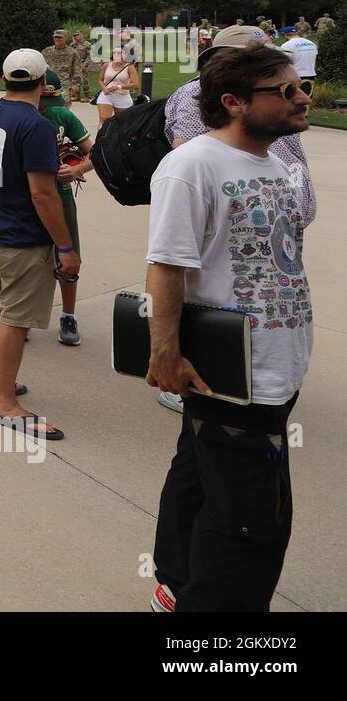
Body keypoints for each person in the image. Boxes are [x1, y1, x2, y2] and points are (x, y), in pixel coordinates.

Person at [145, 42, 312, 613]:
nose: (302, 98)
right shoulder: (192, 165)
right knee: (252, 527)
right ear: (234, 101)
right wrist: (163, 351)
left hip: (275, 363)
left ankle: (175, 583)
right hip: (234, 372)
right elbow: (167, 265)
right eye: (285, 91)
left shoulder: (278, 164)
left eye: (300, 86)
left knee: (199, 476)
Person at [0, 48, 79, 440]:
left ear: (4, 79)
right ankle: (4, 402)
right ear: (43, 84)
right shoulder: (36, 126)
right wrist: (65, 247)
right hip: (21, 235)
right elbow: (43, 194)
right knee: (15, 319)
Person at [39, 78, 94, 346]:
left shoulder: (61, 115)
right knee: (30, 258)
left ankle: (68, 315)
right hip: (26, 197)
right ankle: (21, 316)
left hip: (59, 196)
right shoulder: (15, 114)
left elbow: (94, 152)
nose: (44, 107)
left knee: (69, 257)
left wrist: (76, 169)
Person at [94, 48, 138, 124]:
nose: (116, 55)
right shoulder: (107, 65)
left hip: (122, 96)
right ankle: (102, 135)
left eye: (119, 53)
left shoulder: (130, 67)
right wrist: (104, 89)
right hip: (106, 96)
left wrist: (119, 87)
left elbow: (135, 84)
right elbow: (100, 80)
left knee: (123, 122)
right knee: (104, 120)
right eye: (114, 53)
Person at [43, 28, 85, 104]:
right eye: (55, 37)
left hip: (64, 84)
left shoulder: (72, 53)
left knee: (63, 104)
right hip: (48, 83)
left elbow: (77, 70)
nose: (57, 39)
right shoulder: (47, 51)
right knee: (46, 106)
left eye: (60, 37)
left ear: (65, 38)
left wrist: (76, 85)